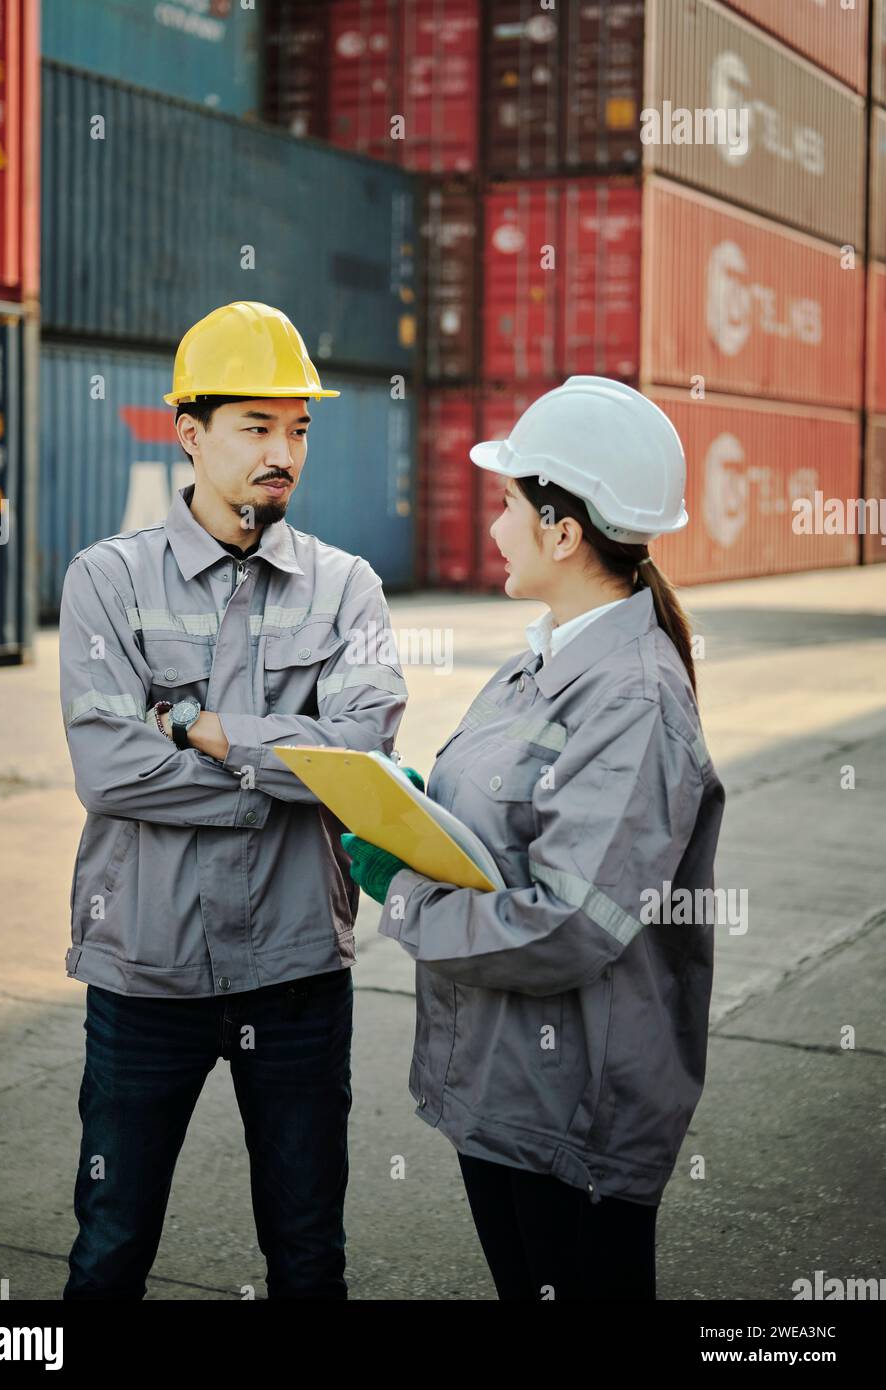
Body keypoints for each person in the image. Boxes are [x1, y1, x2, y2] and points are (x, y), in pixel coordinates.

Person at [343, 376, 725, 1301]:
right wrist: (411, 809)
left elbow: (572, 924)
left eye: (507, 504)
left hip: (574, 1117)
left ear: (563, 530)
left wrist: (406, 895)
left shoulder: (633, 699)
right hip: (507, 1089)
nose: (494, 528)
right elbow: (502, 823)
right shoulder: (541, 661)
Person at [58, 301, 408, 1299]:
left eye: (297, 428)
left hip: (295, 973)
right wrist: (284, 784)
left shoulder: (345, 589)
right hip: (145, 973)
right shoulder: (109, 581)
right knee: (111, 1244)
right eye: (255, 425)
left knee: (307, 1252)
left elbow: (363, 754)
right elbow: (108, 769)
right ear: (190, 432)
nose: (281, 451)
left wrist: (204, 729)